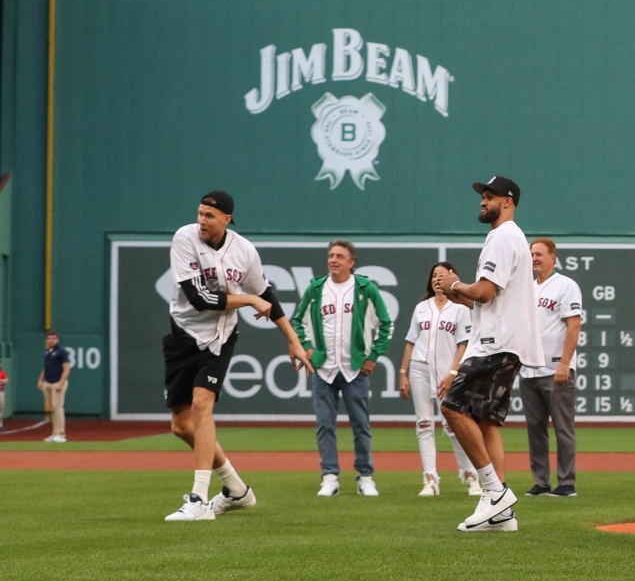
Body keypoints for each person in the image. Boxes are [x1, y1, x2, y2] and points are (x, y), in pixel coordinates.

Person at [163, 191, 311, 521]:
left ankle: (199, 500)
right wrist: (249, 301)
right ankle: (236, 489)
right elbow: (199, 298)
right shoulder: (184, 238)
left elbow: (267, 295)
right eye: (200, 213)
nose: (202, 220)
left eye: (210, 216)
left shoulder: (244, 251)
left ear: (227, 219)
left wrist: (293, 341)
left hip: (220, 336)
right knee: (181, 426)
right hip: (182, 334)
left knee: (202, 405)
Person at [434, 176, 542, 533]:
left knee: (451, 405)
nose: (483, 200)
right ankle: (502, 515)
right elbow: (488, 298)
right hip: (505, 340)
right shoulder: (513, 238)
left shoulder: (502, 237)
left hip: (495, 342)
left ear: (508, 202)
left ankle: (494, 491)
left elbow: (483, 291)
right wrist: (458, 295)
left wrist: (456, 285)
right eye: (482, 194)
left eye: (490, 196)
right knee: (486, 422)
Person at [291, 239, 393, 497]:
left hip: (355, 369)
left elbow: (386, 324)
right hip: (324, 369)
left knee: (361, 425)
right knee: (325, 424)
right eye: (330, 255)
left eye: (339, 256)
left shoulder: (365, 288)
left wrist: (374, 355)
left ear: (351, 263)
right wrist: (308, 348)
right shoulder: (316, 289)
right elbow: (297, 322)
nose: (333, 260)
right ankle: (329, 477)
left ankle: (365, 477)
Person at [398, 262, 474, 497]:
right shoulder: (422, 307)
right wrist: (403, 372)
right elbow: (411, 340)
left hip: (447, 372)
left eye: (442, 275)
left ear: (453, 277)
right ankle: (430, 479)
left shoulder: (460, 308)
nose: (437, 278)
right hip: (420, 368)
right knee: (423, 424)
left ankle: (470, 475)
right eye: (434, 275)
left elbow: (465, 343)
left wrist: (453, 373)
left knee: (453, 426)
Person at [521, 238, 584, 498]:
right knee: (535, 429)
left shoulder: (566, 285)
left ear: (552, 256)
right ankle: (541, 481)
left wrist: (565, 364)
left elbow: (574, 326)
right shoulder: (525, 288)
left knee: (562, 428)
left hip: (556, 369)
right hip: (529, 371)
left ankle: (566, 482)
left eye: (539, 254)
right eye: (531, 254)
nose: (534, 258)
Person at [38, 331, 71, 443]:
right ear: (47, 340)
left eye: (53, 338)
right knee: (52, 408)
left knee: (58, 408)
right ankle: (55, 433)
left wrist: (60, 383)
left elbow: (66, 368)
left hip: (57, 382)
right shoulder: (47, 351)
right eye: (49, 338)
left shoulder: (61, 352)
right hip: (48, 382)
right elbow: (46, 367)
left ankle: (61, 434)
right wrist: (40, 380)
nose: (51, 340)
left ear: (57, 340)